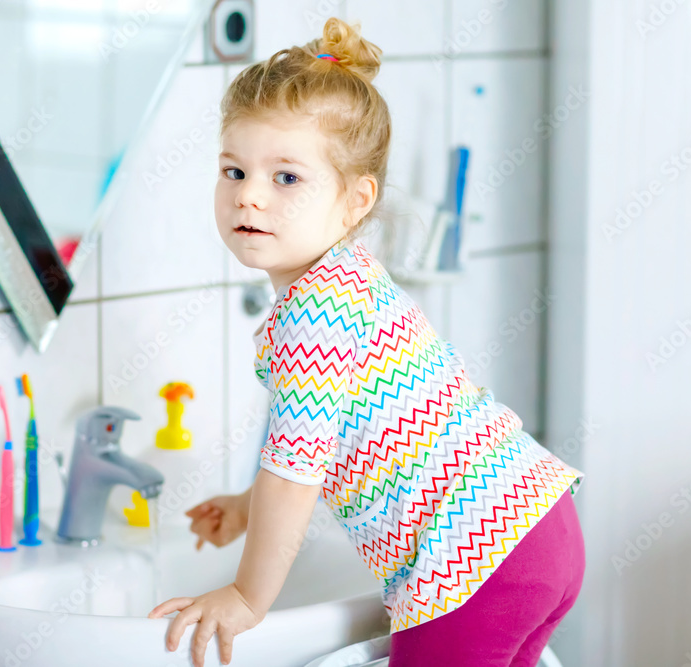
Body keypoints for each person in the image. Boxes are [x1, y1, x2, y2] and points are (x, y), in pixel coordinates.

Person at [147, 17, 586, 667]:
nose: (251, 197)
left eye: (286, 178)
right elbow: (333, 440)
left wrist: (247, 594)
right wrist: (247, 507)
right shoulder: (348, 280)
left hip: (472, 561)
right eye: (234, 170)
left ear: (355, 201)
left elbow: (293, 472)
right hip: (535, 528)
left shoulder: (312, 316)